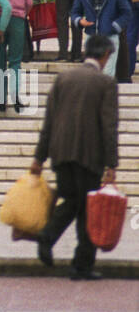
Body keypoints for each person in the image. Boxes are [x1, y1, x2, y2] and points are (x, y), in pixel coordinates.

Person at [31, 34, 118, 280]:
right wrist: (112, 164)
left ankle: (54, 242)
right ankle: (80, 264)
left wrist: (39, 157)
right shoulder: (106, 83)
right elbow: (109, 126)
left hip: (61, 152)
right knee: (87, 209)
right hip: (90, 155)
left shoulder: (63, 78)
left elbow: (49, 121)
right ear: (103, 55)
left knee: (71, 200)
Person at [70, 0, 131, 80]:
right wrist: (79, 21)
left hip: (110, 35)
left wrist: (115, 25)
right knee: (91, 72)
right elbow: (74, 12)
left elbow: (126, 12)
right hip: (91, 36)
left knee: (108, 73)